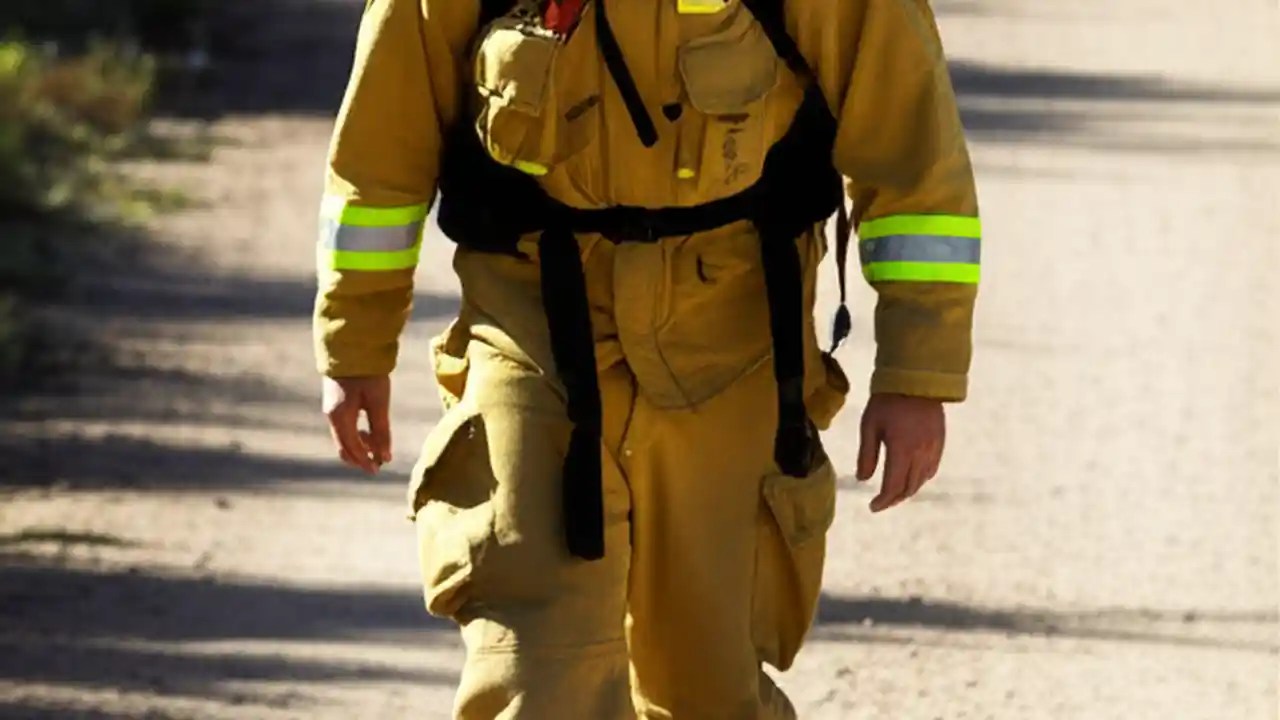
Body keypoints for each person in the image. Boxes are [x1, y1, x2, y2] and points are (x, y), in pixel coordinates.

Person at [314, 0, 980, 716]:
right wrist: (356, 346)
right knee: (538, 676)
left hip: (735, 338)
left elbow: (914, 159)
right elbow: (379, 159)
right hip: (532, 327)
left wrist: (917, 374)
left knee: (708, 687)